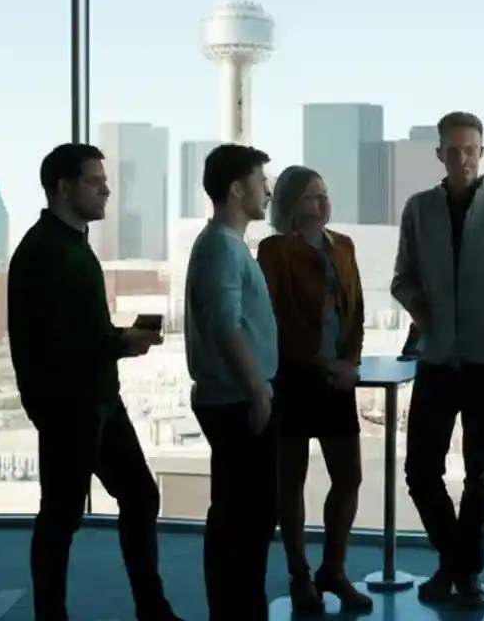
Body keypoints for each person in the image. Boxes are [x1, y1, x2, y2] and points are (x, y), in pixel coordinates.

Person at [8, 143, 181, 621]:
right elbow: (55, 344)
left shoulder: (70, 246)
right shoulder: (45, 251)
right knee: (63, 516)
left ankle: (150, 607)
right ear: (64, 187)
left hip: (98, 399)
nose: (106, 188)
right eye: (94, 181)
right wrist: (119, 343)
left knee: (133, 498)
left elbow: (77, 331)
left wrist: (117, 339)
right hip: (70, 406)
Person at [392, 111, 484, 610]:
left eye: (470, 149)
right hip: (435, 360)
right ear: (440, 154)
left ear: (482, 151)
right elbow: (402, 276)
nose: (462, 158)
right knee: (420, 470)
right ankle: (461, 565)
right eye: (452, 151)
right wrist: (421, 312)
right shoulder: (419, 209)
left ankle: (459, 572)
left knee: (481, 475)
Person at [255, 166, 373, 614]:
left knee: (349, 476)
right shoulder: (275, 251)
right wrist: (322, 360)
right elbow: (272, 319)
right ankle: (300, 574)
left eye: (324, 195)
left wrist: (351, 362)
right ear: (288, 204)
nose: (321, 204)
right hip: (293, 377)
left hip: (337, 376)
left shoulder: (343, 246)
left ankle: (333, 569)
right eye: (309, 197)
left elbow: (356, 309)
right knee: (292, 482)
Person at [184, 144, 280, 621]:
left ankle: (237, 609)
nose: (268, 189)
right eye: (262, 181)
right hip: (237, 399)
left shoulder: (226, 244)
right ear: (238, 189)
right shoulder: (223, 246)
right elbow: (226, 325)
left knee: (241, 515)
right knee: (245, 519)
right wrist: (257, 388)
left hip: (233, 396)